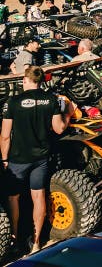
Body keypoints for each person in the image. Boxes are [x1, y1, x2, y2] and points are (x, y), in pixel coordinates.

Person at [2, 65, 74, 254]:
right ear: (40, 81)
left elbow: (4, 136)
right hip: (40, 158)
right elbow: (59, 128)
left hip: (18, 159)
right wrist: (68, 112)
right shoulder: (50, 100)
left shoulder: (13, 102)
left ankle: (16, 239)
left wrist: (3, 159)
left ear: (25, 80)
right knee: (38, 197)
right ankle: (36, 242)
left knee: (13, 197)